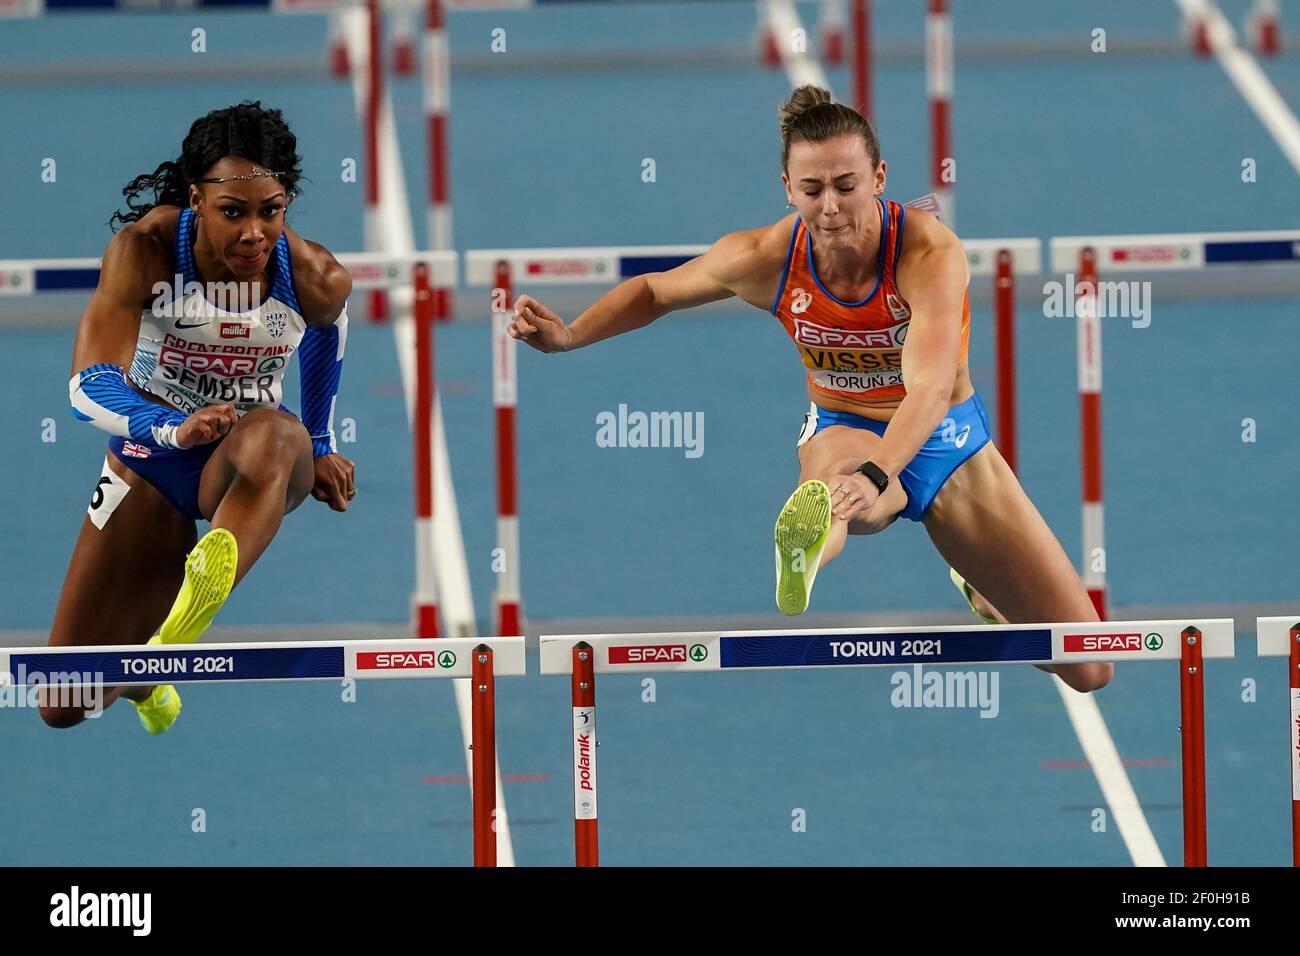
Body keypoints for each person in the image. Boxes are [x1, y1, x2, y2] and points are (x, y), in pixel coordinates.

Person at [506, 85, 1111, 693]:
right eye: (813, 190)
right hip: (842, 425)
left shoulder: (929, 253)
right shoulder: (764, 255)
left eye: (846, 186)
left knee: (1089, 666)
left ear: (878, 177)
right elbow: (657, 291)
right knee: (840, 494)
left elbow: (926, 393)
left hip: (944, 434)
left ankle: (977, 587)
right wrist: (572, 335)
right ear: (787, 189)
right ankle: (807, 544)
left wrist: (876, 472)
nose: (829, 207)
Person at [42, 101, 356, 733]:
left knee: (276, 435)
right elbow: (87, 386)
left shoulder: (315, 276)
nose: (253, 234)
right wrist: (171, 429)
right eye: (233, 213)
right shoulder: (146, 251)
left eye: (271, 211)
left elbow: (329, 330)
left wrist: (320, 441)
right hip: (153, 455)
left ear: (286, 201)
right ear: (196, 200)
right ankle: (146, 677)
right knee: (61, 701)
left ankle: (187, 618)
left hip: (246, 464)